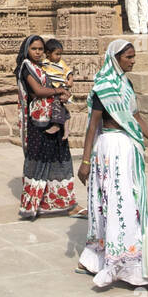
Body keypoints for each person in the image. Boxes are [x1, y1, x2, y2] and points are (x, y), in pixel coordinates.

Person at [76, 39, 148, 292]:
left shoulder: (125, 84)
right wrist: (84, 162)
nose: (133, 61)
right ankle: (142, 270)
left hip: (127, 149)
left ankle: (94, 259)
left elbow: (137, 119)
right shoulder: (105, 87)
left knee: (123, 204)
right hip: (110, 150)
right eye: (128, 57)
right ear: (116, 58)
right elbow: (92, 127)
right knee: (123, 207)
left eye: (134, 56)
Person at [15, 35, 87, 221]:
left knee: (60, 158)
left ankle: (67, 203)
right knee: (39, 160)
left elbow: (57, 82)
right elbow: (38, 91)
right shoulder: (27, 68)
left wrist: (62, 93)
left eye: (40, 49)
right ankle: (34, 204)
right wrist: (59, 91)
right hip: (39, 122)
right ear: (27, 50)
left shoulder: (43, 67)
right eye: (34, 49)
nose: (38, 52)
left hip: (53, 117)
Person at [40, 38, 75, 135]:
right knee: (61, 106)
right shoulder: (45, 63)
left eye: (60, 54)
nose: (59, 57)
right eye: (57, 54)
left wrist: (70, 80)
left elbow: (68, 72)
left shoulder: (61, 63)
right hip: (52, 86)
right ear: (48, 53)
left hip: (60, 86)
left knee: (56, 103)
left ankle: (56, 125)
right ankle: (66, 126)